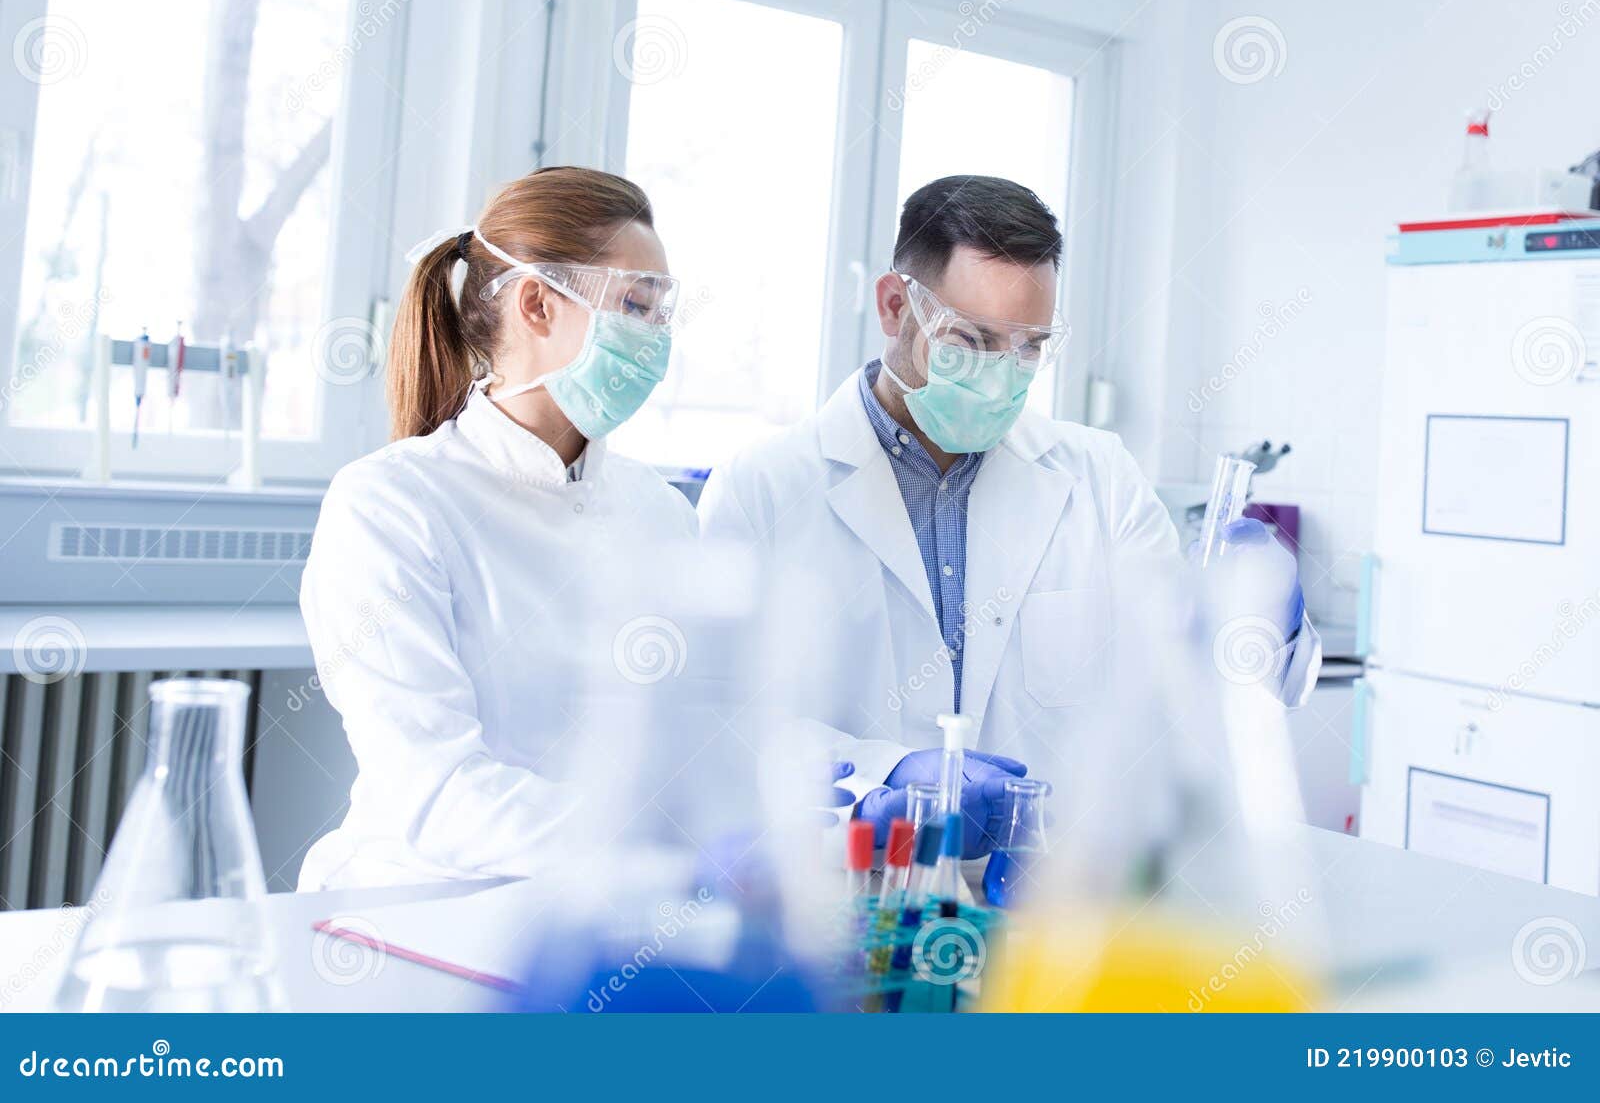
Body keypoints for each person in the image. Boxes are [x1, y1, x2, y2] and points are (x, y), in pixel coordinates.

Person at [699, 175, 1319, 856]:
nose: (1002, 372)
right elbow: (722, 723)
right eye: (969, 339)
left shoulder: (1101, 478)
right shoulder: (762, 489)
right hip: (845, 880)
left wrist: (1260, 623)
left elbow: (1183, 698)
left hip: (1050, 888)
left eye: (1029, 346)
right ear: (894, 306)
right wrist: (887, 774)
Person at [297, 166, 695, 890]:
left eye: (662, 312)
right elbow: (437, 793)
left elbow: (704, 727)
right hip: (422, 902)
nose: (656, 337)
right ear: (537, 304)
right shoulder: (390, 504)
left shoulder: (659, 511)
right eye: (636, 306)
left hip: (609, 902)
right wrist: (658, 850)